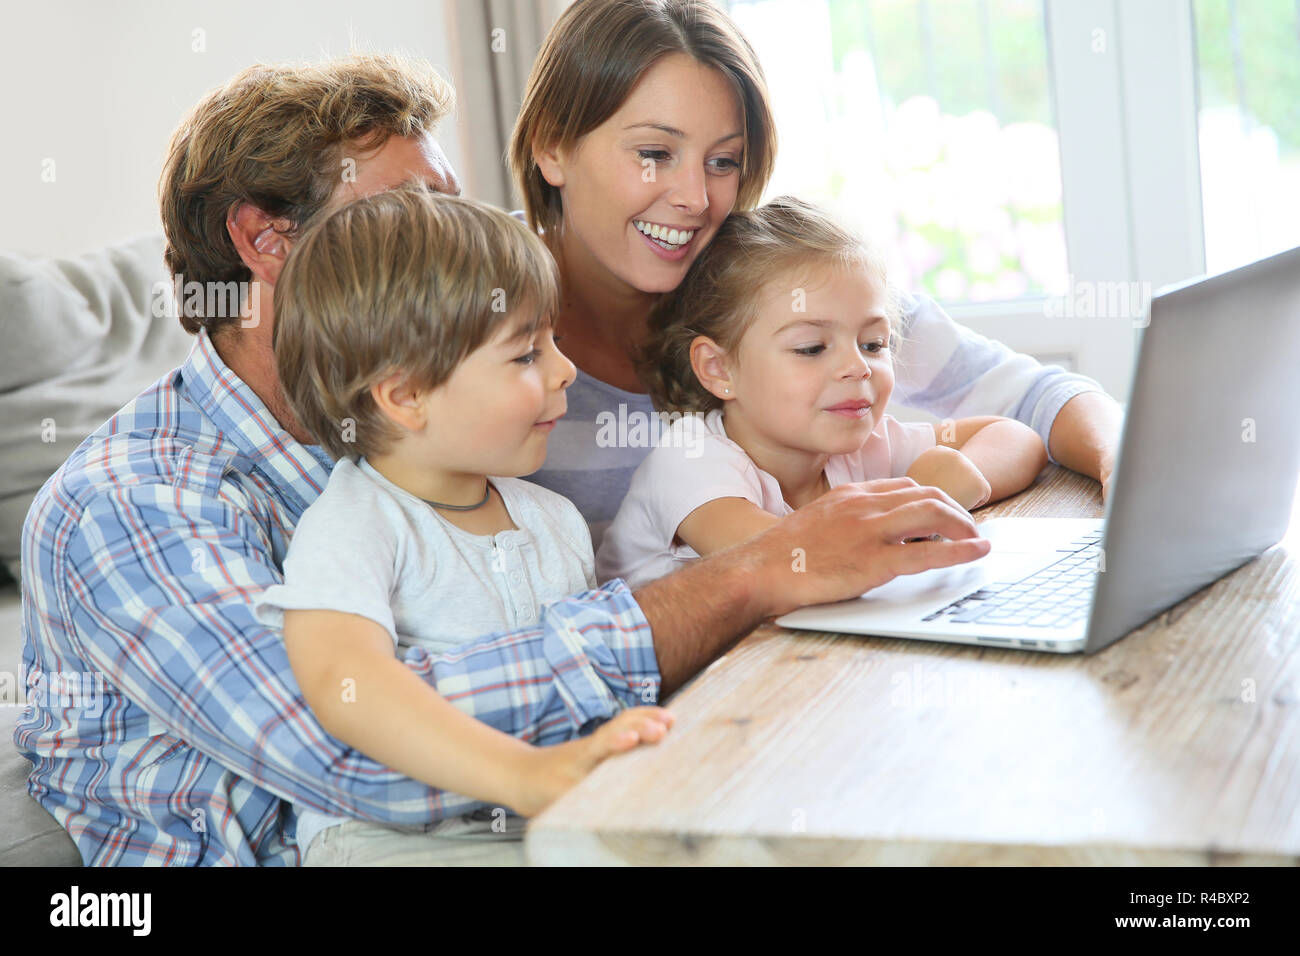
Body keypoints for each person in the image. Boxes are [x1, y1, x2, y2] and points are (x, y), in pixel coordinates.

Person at [17, 52, 987, 865]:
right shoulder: (130, 502)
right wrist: (741, 579)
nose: (463, 249)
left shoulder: (455, 440)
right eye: (409, 216)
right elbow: (350, 742)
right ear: (268, 241)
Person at [508, 0, 1123, 551]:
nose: (696, 198)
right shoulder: (472, 320)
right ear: (552, 146)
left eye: (724, 161)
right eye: (653, 154)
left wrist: (1123, 462)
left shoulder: (782, 288)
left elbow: (1043, 401)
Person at [257, 188, 674, 864]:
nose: (566, 371)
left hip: (533, 814)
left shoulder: (553, 518)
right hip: (393, 841)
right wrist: (524, 774)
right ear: (407, 396)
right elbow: (341, 678)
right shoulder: (357, 522)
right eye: (525, 355)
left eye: (554, 342)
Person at [598, 197, 1049, 588]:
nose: (856, 367)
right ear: (718, 370)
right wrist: (916, 505)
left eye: (874, 344)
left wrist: (948, 483)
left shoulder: (861, 445)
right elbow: (793, 561)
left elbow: (1017, 438)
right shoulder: (690, 461)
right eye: (811, 348)